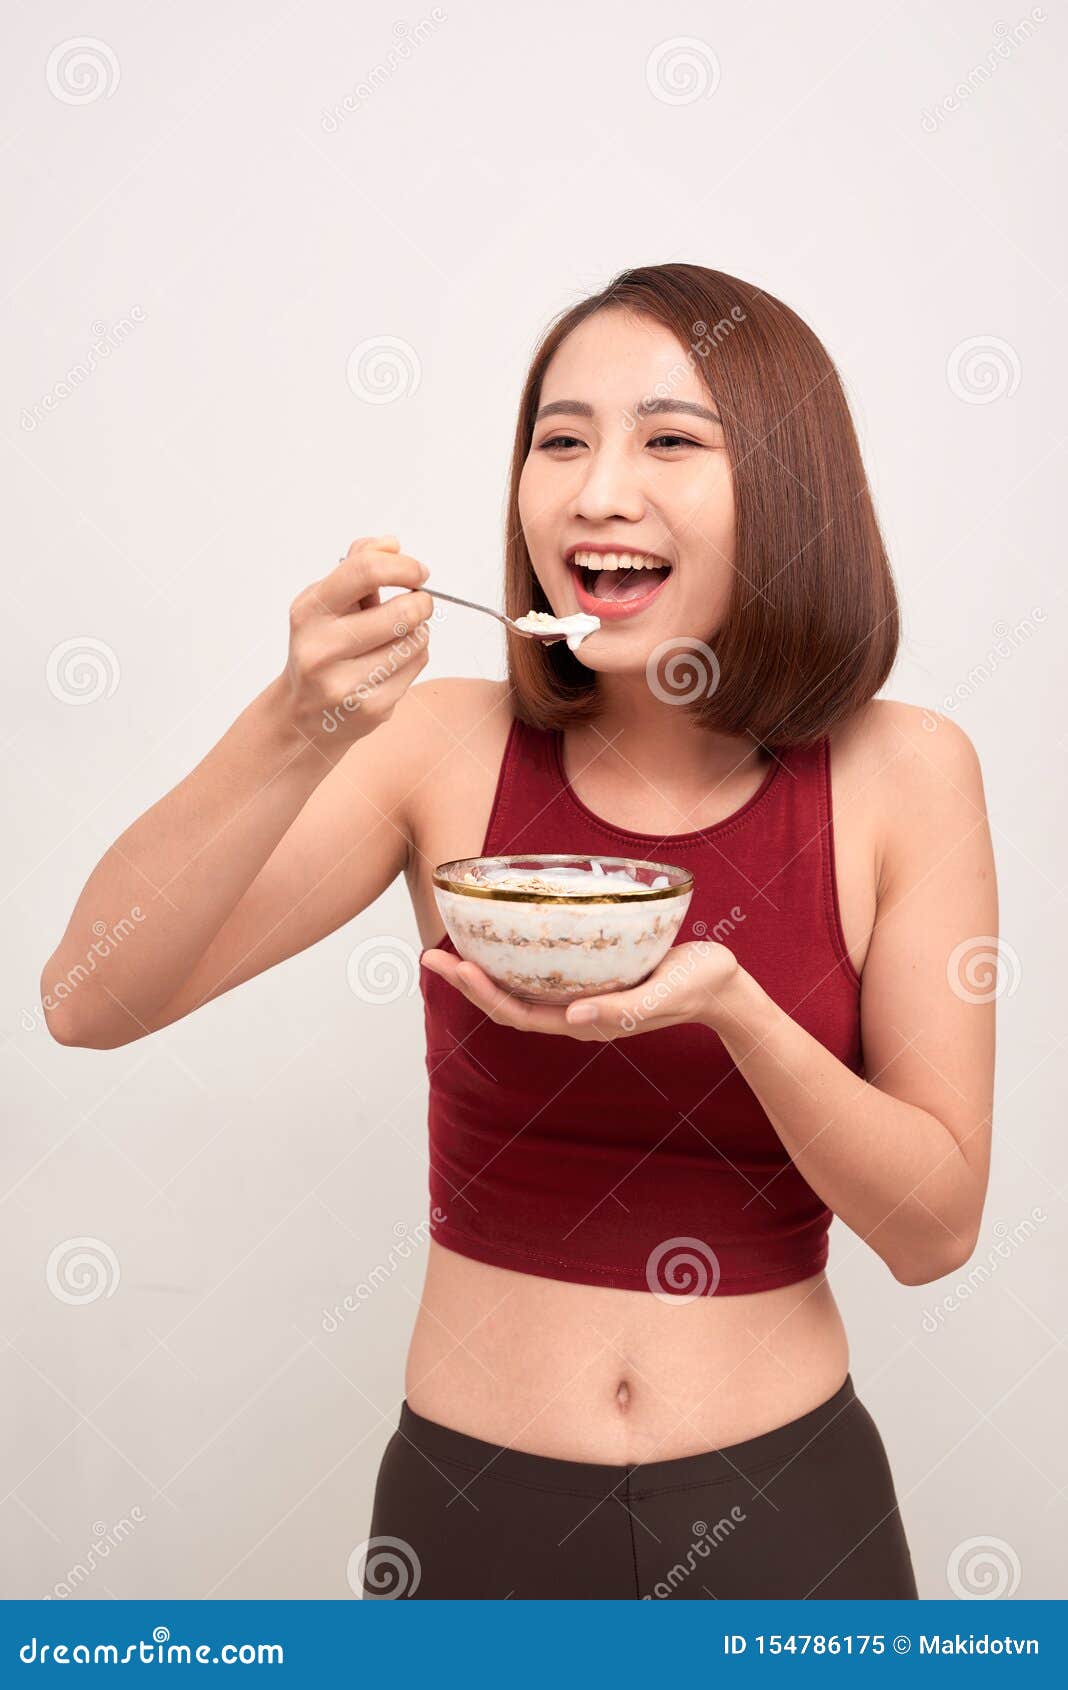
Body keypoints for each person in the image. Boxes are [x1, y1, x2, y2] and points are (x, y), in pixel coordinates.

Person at [42, 264, 995, 1600]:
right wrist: (292, 724)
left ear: (788, 487)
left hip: (786, 1514)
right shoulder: (439, 744)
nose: (597, 491)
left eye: (669, 440)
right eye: (560, 441)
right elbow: (89, 999)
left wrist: (733, 1009)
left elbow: (934, 1228)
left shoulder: (907, 770)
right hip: (470, 1516)